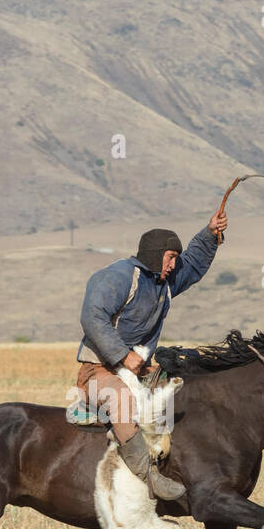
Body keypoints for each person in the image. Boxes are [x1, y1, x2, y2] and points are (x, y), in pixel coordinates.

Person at [75, 211, 227, 500]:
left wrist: (210, 234)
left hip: (140, 370)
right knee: (121, 400)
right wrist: (122, 355)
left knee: (188, 390)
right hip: (99, 370)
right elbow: (93, 318)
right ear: (155, 254)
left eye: (174, 259)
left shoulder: (163, 281)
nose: (174, 264)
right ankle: (148, 478)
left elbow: (192, 263)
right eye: (170, 257)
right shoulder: (119, 276)